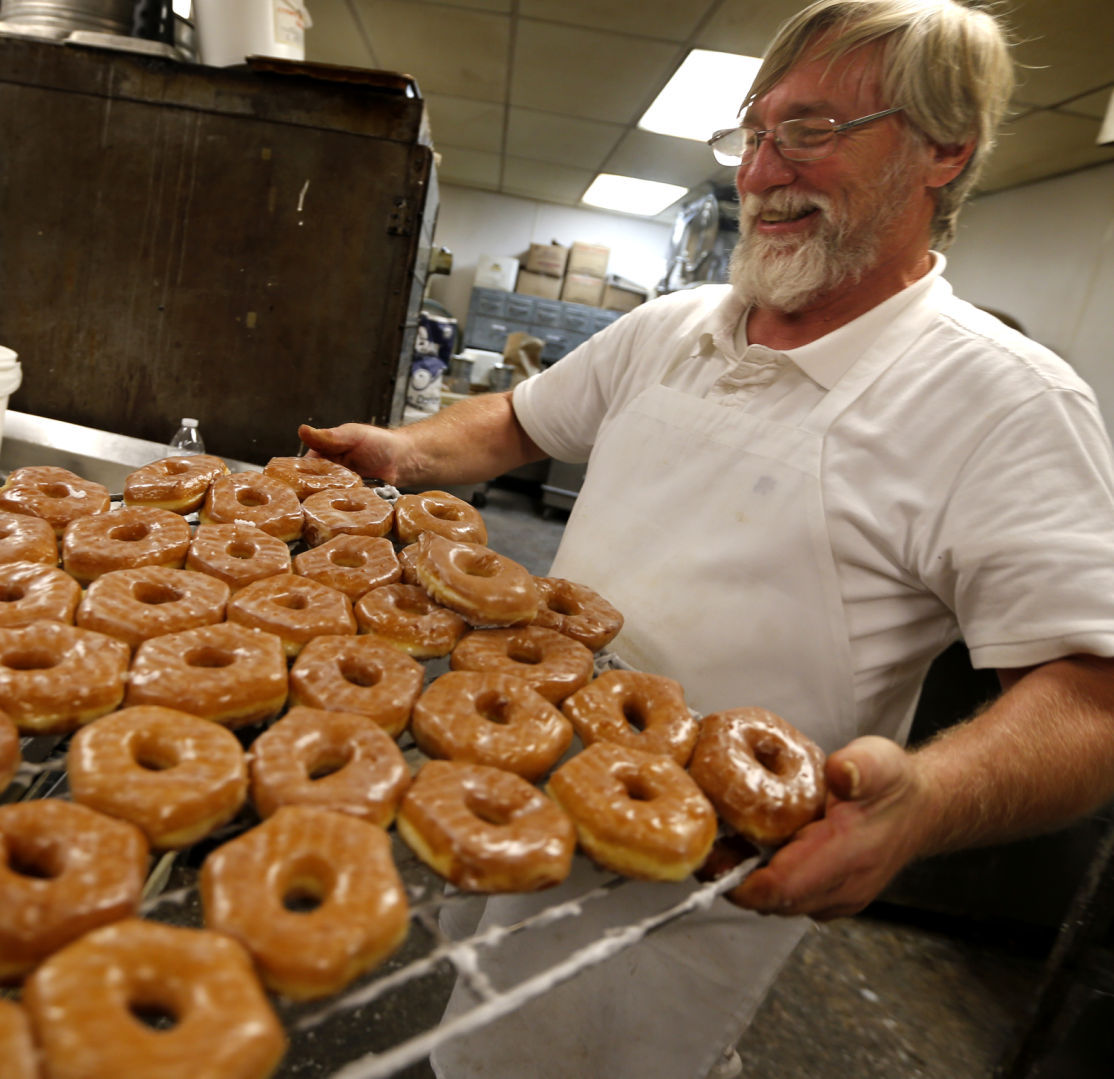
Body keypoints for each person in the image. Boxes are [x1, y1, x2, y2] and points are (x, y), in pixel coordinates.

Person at [299, 1, 1114, 1075]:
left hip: (682, 896)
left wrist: (923, 806)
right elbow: (517, 421)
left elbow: (1092, 693)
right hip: (512, 789)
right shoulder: (673, 327)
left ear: (942, 150)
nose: (764, 171)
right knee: (466, 1043)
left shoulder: (1003, 403)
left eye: (813, 131)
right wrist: (400, 451)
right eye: (755, 132)